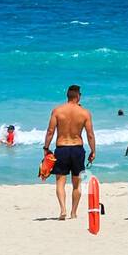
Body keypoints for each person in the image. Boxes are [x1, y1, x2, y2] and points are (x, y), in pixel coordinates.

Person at [43, 84, 96, 220]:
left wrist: (46, 148)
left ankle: (63, 210)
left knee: (60, 182)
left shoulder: (57, 111)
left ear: (67, 96)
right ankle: (73, 212)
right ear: (78, 96)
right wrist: (93, 151)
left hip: (61, 149)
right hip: (77, 149)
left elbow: (50, 131)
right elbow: (90, 134)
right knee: (76, 184)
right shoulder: (85, 113)